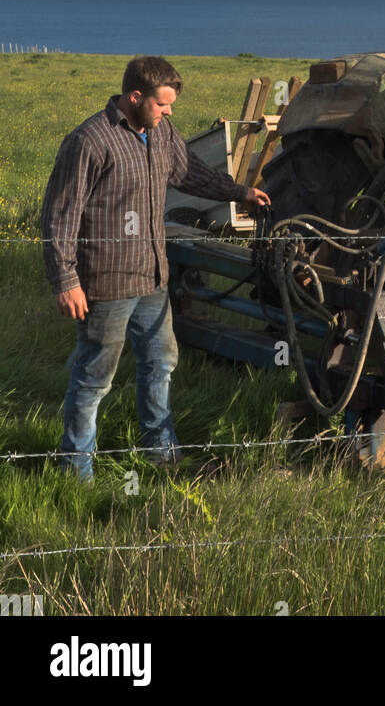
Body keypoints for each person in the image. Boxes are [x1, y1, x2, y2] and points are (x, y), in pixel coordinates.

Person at [41, 55, 270, 482]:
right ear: (134, 97)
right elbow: (59, 215)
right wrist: (65, 279)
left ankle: (161, 452)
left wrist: (241, 193)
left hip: (152, 277)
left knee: (161, 362)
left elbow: (193, 174)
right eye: (162, 104)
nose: (169, 113)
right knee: (95, 377)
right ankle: (76, 470)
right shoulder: (91, 140)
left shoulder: (161, 135)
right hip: (106, 282)